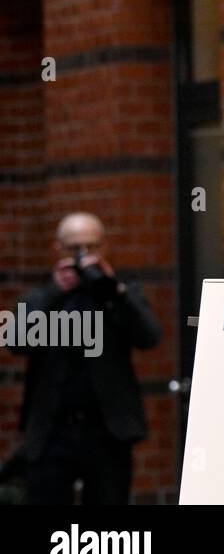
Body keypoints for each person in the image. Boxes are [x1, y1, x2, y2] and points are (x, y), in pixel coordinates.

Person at [14, 212, 162, 504]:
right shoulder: (41, 296)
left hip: (107, 430)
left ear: (104, 247)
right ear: (58, 249)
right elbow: (16, 342)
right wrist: (55, 291)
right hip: (51, 431)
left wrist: (114, 290)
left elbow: (149, 336)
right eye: (73, 248)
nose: (83, 256)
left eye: (91, 247)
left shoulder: (118, 292)